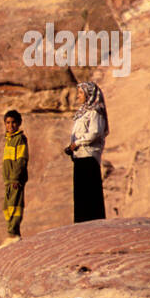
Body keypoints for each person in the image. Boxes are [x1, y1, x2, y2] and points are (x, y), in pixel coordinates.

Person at [64, 81, 107, 222]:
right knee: (80, 193)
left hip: (89, 156)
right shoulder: (82, 113)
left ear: (89, 94)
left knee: (90, 192)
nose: (78, 96)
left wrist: (77, 143)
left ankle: (93, 221)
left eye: (81, 93)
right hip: (79, 156)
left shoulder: (95, 112)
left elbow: (94, 133)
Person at [0, 110, 28, 247]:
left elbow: (21, 160)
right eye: (8, 123)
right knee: (7, 206)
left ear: (19, 123)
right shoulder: (9, 140)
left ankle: (13, 233)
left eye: (13, 122)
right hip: (8, 181)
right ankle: (11, 232)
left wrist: (16, 178)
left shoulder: (19, 139)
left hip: (15, 180)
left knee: (15, 206)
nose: (10, 125)